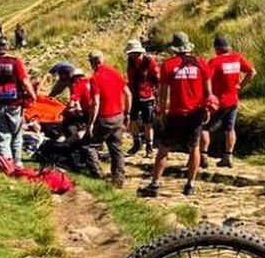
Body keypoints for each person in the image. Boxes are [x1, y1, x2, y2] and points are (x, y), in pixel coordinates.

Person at [138, 32, 214, 198]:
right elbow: (209, 92)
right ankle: (190, 184)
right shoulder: (201, 63)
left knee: (164, 148)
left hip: (176, 113)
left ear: (174, 48)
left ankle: (155, 184)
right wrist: (207, 109)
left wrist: (162, 111)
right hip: (196, 112)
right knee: (194, 147)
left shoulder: (169, 65)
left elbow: (164, 93)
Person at [202, 35, 255, 168]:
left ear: (217, 48)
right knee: (229, 129)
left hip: (218, 102)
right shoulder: (237, 58)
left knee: (205, 127)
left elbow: (206, 79)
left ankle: (203, 156)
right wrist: (240, 86)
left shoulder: (214, 62)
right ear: (228, 47)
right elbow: (252, 72)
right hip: (233, 101)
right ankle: (228, 156)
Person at [0, 37, 34, 165]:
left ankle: (6, 164)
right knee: (16, 133)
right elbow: (25, 82)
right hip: (14, 102)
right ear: (7, 47)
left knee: (2, 135)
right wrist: (32, 96)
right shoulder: (16, 62)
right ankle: (17, 162)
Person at [83, 51, 131, 188]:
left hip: (105, 117)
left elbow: (95, 102)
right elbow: (128, 94)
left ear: (92, 62)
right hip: (118, 115)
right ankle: (118, 179)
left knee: (89, 145)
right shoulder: (115, 73)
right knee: (116, 148)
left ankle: (97, 175)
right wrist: (127, 114)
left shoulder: (95, 78)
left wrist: (91, 124)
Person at [124, 39, 159, 158]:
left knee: (148, 122)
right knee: (132, 120)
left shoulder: (149, 62)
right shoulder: (130, 62)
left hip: (148, 95)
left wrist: (157, 96)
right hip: (134, 94)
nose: (132, 55)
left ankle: (149, 147)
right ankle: (136, 143)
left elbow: (157, 78)